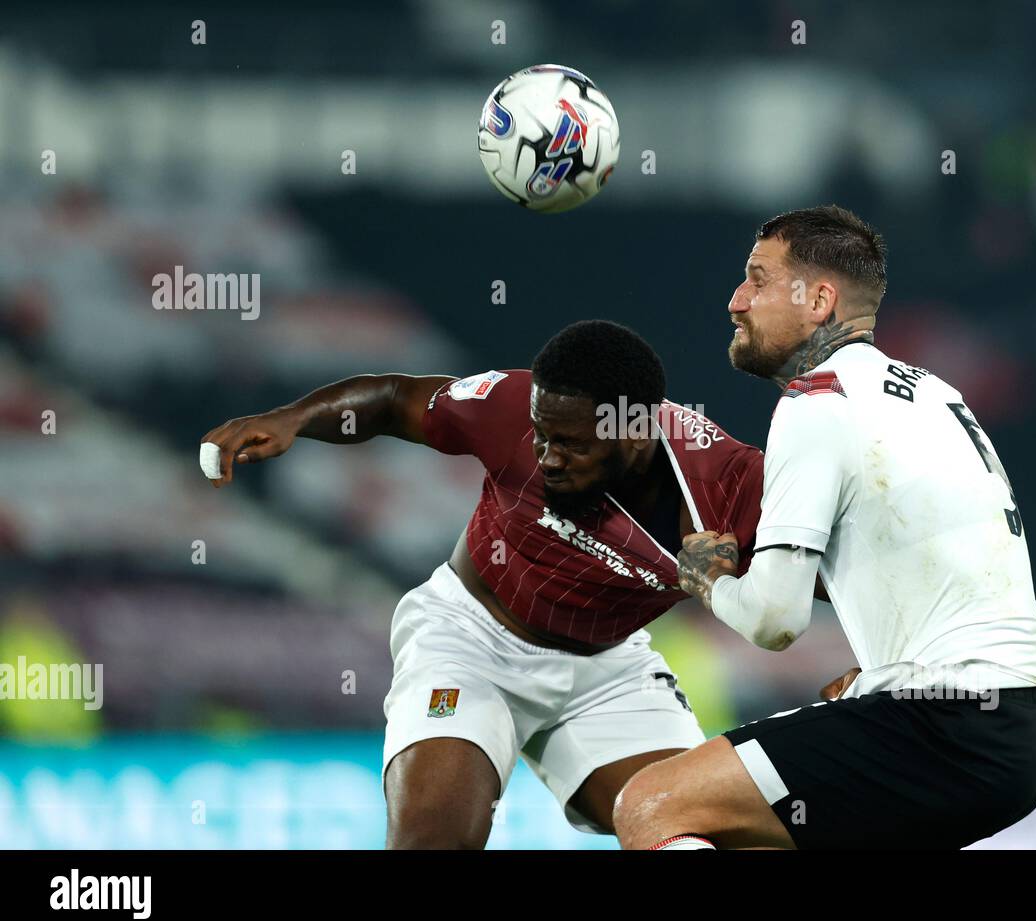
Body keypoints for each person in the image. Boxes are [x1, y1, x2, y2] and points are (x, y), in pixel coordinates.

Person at [201, 320, 774, 848]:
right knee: (433, 843)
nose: (548, 457)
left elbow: (827, 570)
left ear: (634, 433)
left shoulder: (728, 489)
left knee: (704, 827)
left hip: (607, 669)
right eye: (542, 435)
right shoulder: (506, 407)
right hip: (470, 640)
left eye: (571, 444)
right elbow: (397, 399)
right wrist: (294, 418)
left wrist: (866, 668)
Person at [612, 206, 1036, 850]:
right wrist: (880, 673)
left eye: (758, 280)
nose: (737, 301)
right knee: (758, 832)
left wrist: (706, 581)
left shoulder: (816, 405)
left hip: (947, 719)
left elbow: (775, 620)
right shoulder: (938, 393)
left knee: (653, 805)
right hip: (1015, 724)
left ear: (819, 300)